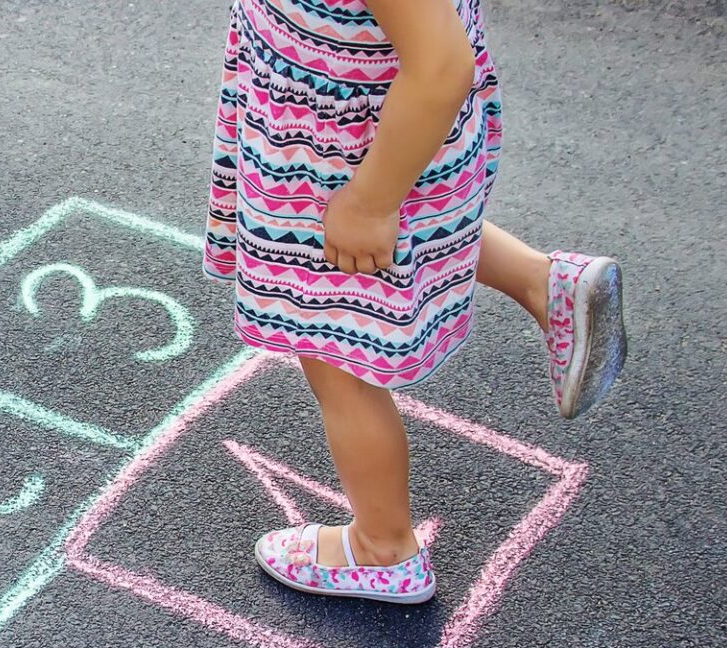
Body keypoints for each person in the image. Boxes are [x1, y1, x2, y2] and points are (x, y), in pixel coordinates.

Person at [205, 0, 627, 604]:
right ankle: (544, 283)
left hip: (352, 157)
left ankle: (383, 548)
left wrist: (369, 202)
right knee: (417, 238)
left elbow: (439, 66)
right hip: (360, 128)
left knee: (337, 356)